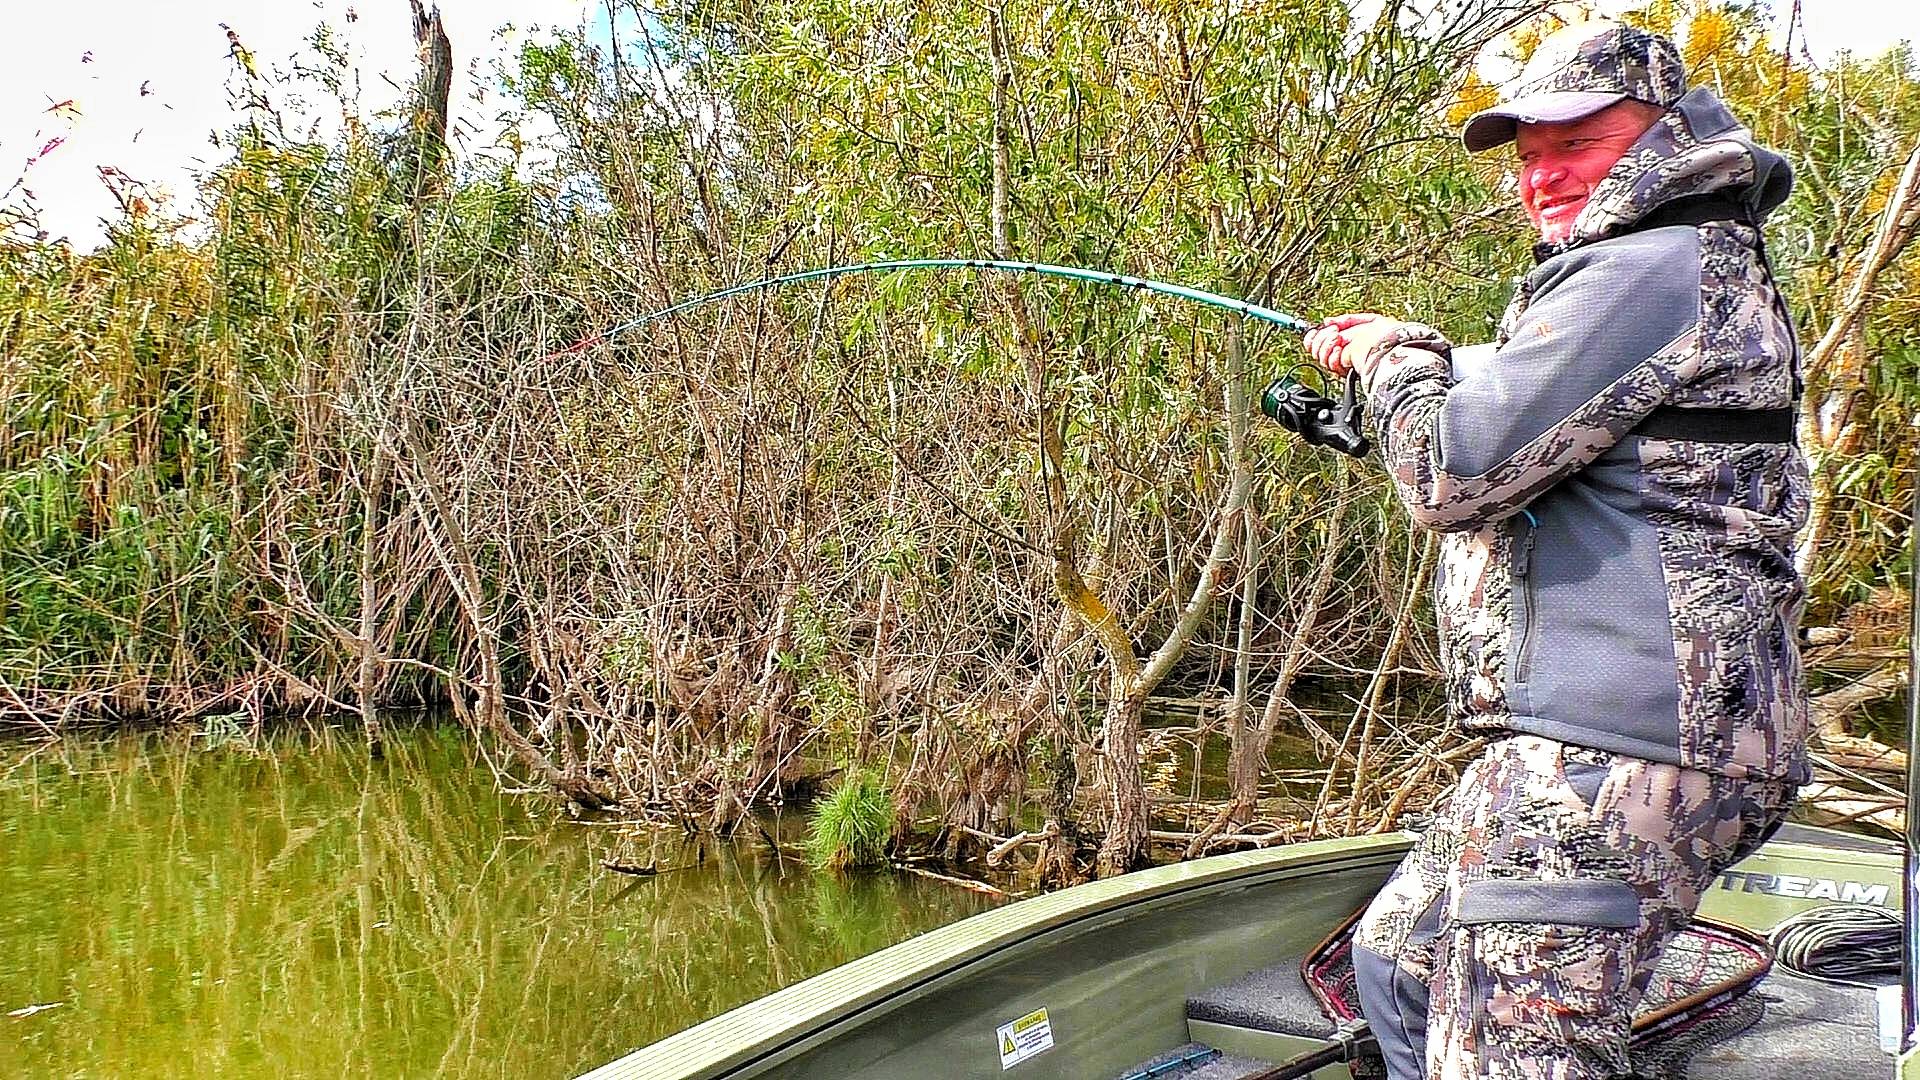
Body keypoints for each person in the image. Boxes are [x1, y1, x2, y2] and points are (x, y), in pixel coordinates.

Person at [1301, 20, 1808, 1080]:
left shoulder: (1656, 265)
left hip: (1621, 747)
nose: (1541, 176)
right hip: (1585, 739)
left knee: (1515, 1053)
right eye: (1527, 157)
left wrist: (1394, 359)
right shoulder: (1641, 275)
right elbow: (1520, 429)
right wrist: (1417, 369)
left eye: (1571, 142)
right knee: (1397, 969)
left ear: (1660, 133)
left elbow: (1453, 469)